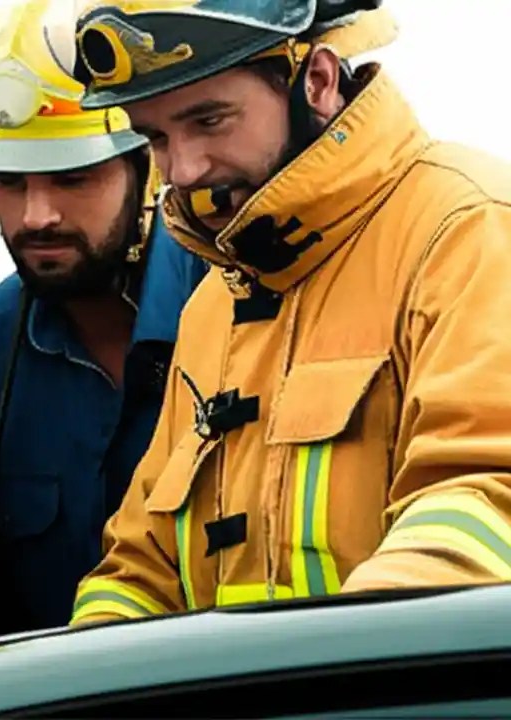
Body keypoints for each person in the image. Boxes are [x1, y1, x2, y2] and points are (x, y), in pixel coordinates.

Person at [66, 0, 511, 627]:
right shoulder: (213, 305)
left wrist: (341, 667)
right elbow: (143, 565)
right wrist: (91, 678)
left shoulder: (472, 229)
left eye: (210, 120)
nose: (183, 171)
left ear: (319, 81)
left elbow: (492, 491)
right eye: (157, 137)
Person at [0, 0, 207, 634]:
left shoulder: (237, 304)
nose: (36, 215)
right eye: (8, 181)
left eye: (73, 177)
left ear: (150, 166)